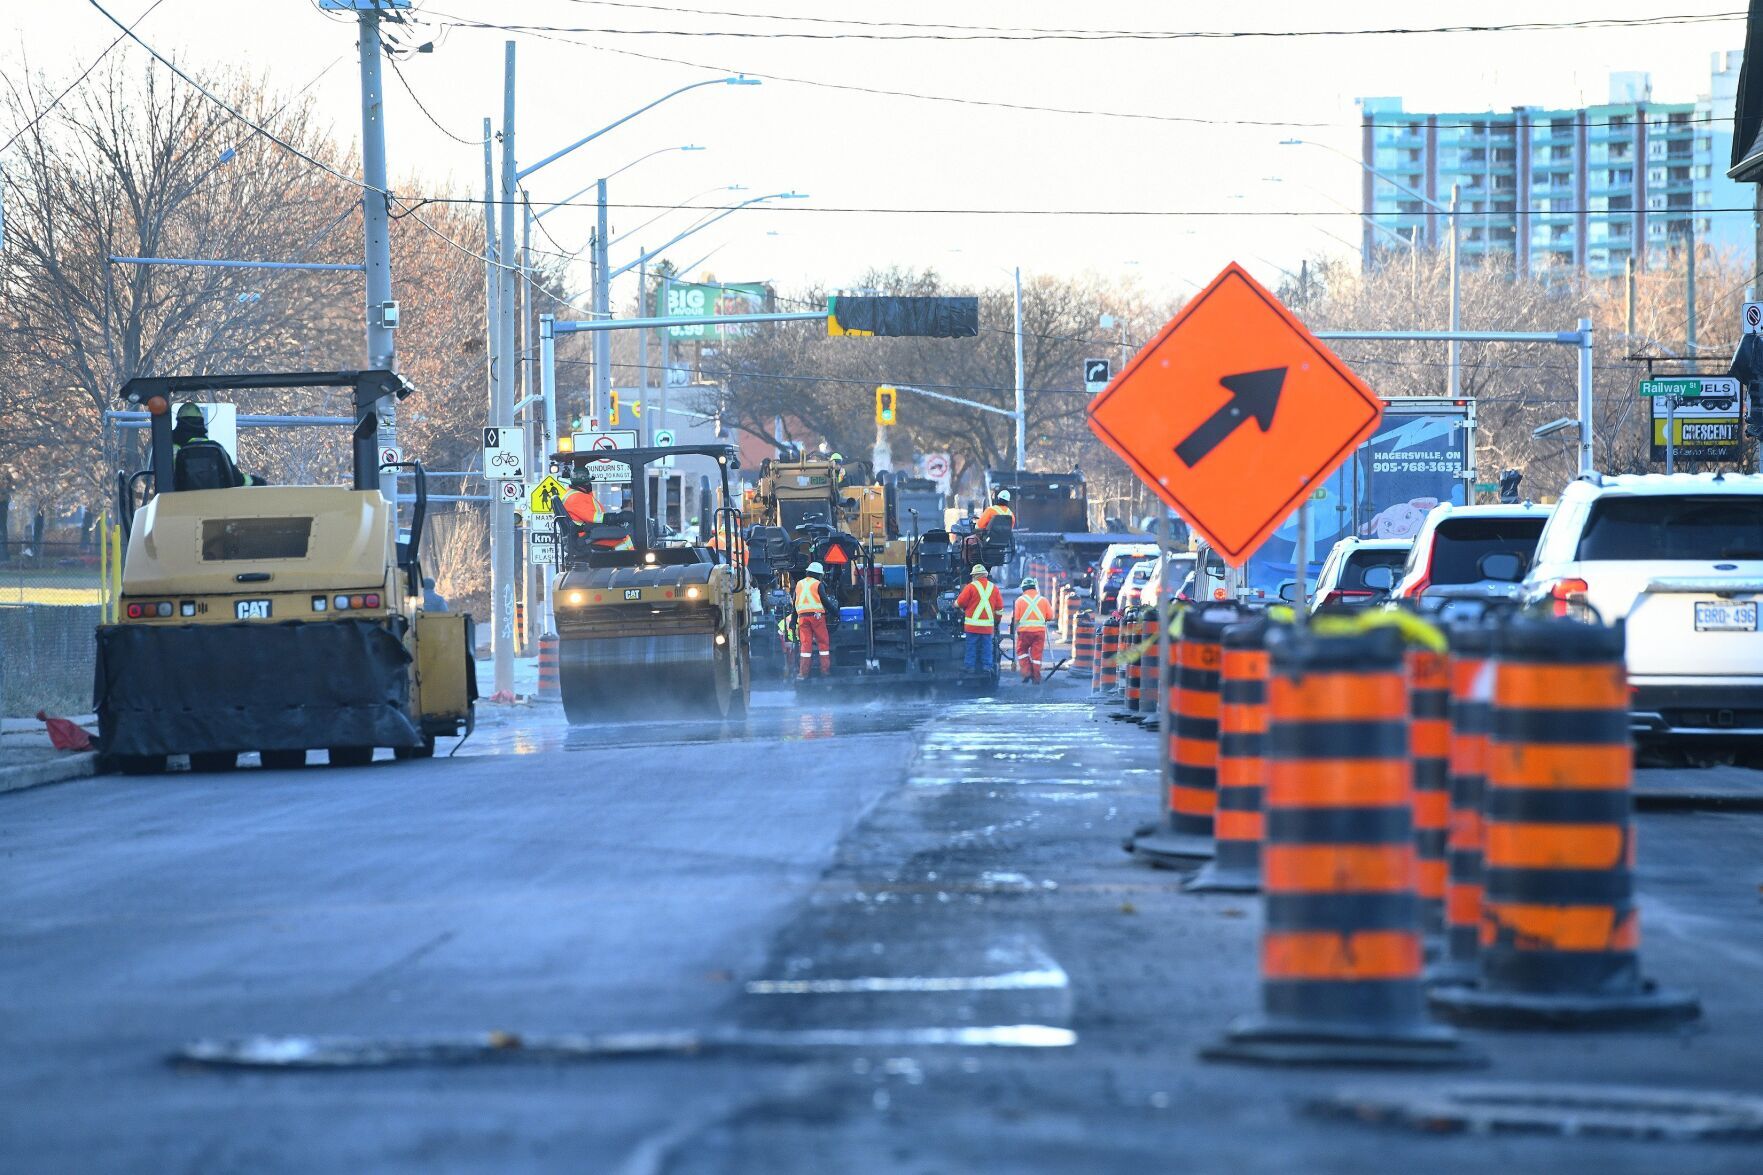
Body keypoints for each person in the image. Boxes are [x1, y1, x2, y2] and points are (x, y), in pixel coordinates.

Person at [170, 403, 266, 489]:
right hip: (215, 504)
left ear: (178, 421)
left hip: (177, 504)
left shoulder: (167, 447)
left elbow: (162, 478)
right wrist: (255, 481)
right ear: (201, 422)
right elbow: (235, 478)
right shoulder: (215, 449)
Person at [562, 471, 633, 550]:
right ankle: (628, 561)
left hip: (586, 533)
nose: (590, 484)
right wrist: (617, 517)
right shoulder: (577, 497)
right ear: (585, 483)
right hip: (587, 536)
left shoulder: (572, 494)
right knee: (624, 540)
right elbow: (593, 518)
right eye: (588, 482)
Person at [955, 563, 1004, 675]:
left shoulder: (970, 587)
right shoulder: (994, 588)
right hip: (987, 627)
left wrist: (954, 605)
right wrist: (996, 621)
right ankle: (987, 667)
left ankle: (970, 667)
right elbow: (999, 608)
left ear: (974, 576)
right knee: (987, 647)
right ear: (985, 575)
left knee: (971, 646)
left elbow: (960, 603)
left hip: (972, 627)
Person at [793, 561, 831, 679]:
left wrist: (793, 621)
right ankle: (824, 671)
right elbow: (825, 601)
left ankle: (803, 673)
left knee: (805, 646)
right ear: (818, 574)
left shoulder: (799, 584)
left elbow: (795, 604)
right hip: (817, 617)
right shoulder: (818, 584)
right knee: (823, 643)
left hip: (802, 618)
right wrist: (836, 612)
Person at [1012, 575, 1051, 684]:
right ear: (1034, 587)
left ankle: (1027, 672)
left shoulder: (1019, 601)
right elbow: (1050, 616)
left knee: (1022, 652)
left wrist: (1013, 628)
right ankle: (1036, 678)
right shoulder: (1043, 600)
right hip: (1039, 632)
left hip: (1024, 632)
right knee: (1036, 655)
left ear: (1023, 589)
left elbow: (1015, 618)